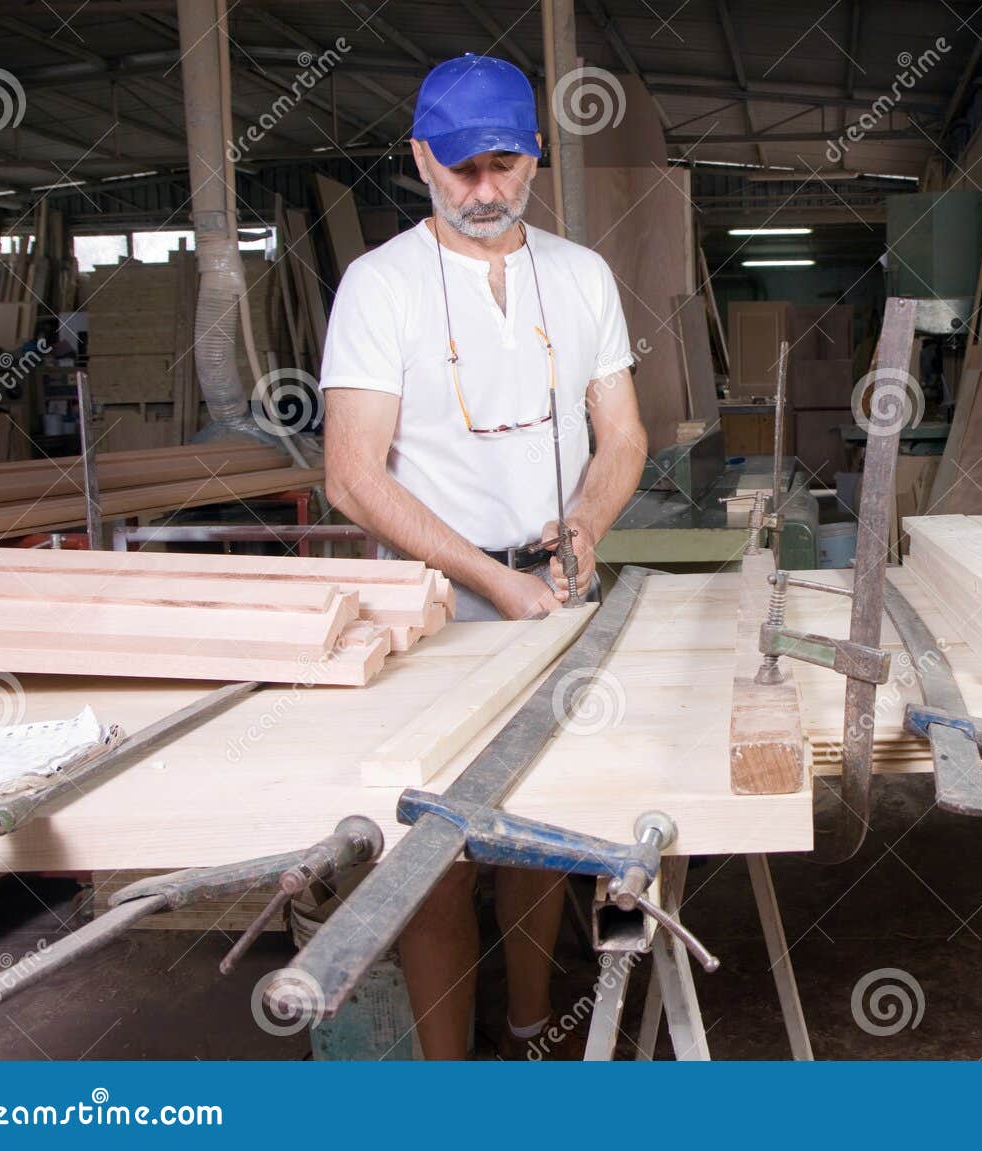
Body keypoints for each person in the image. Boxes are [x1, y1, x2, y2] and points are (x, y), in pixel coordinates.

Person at [319, 53, 647, 1059]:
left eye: (502, 165)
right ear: (420, 157)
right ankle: (447, 1076)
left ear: (535, 159)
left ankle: (525, 1027)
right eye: (459, 168)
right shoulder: (381, 286)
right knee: (436, 848)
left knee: (536, 829)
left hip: (549, 591)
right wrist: (485, 577)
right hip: (433, 606)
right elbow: (353, 474)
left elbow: (624, 436)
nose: (481, 191)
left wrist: (583, 526)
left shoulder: (582, 276)